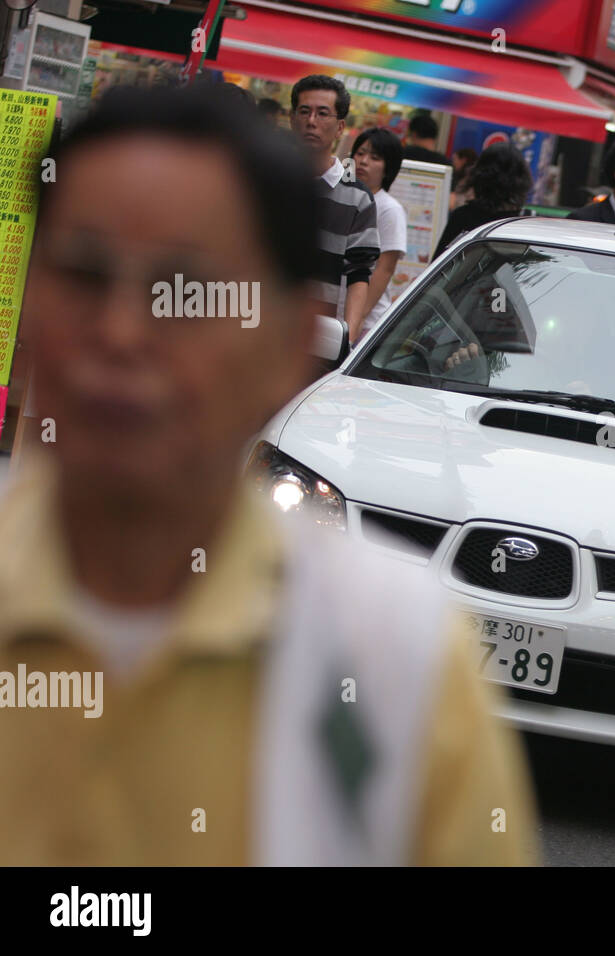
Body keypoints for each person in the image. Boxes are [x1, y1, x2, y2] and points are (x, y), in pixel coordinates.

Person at [0, 83, 537, 865]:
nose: (119, 333)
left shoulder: (394, 655)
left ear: (287, 348)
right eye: (83, 275)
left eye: (183, 291)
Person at [289, 74, 379, 346]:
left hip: (316, 341)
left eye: (322, 113)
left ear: (340, 127)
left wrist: (347, 340)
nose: (311, 121)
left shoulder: (357, 197)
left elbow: (359, 274)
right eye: (304, 111)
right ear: (292, 119)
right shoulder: (269, 178)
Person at [350, 127, 407, 341]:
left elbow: (385, 268)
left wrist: (358, 318)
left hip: (365, 322)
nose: (364, 161)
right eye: (360, 153)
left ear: (388, 169)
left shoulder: (389, 209)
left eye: (375, 158)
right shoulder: (344, 196)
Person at [435, 142, 532, 256]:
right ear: (521, 180)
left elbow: (438, 264)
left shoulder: (462, 217)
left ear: (479, 174)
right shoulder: (523, 223)